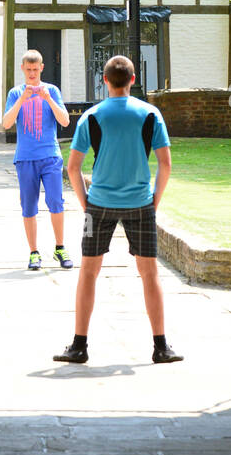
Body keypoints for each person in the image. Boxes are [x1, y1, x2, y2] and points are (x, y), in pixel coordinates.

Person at [54, 54, 183, 365]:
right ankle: (161, 347)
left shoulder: (91, 116)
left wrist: (87, 204)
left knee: (88, 272)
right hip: (141, 203)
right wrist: (155, 200)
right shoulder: (151, 114)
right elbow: (165, 164)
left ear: (104, 81)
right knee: (149, 273)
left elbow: (73, 168)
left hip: (98, 205)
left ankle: (79, 346)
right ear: (133, 80)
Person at [3, 50, 72, 271]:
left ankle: (60, 248)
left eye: (36, 69)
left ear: (41, 68)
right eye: (28, 69)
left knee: (56, 202)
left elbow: (65, 121)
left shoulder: (51, 90)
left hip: (50, 156)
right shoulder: (15, 93)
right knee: (29, 206)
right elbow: (6, 124)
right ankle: (33, 252)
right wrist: (22, 98)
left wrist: (48, 99)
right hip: (25, 158)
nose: (32, 73)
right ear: (22, 68)